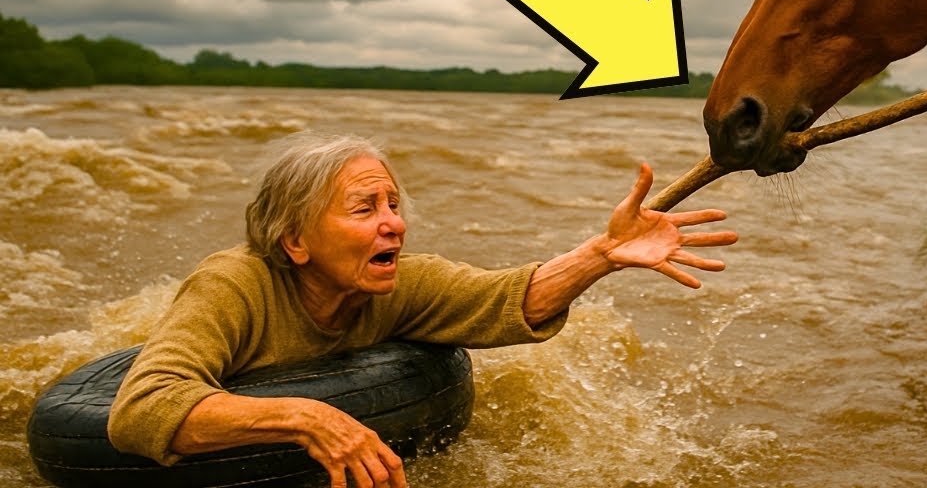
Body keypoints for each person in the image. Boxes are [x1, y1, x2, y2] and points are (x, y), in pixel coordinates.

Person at [107, 132, 736, 488]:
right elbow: (139, 408)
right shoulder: (232, 287)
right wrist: (310, 418)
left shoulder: (396, 285)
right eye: (365, 209)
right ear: (294, 240)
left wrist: (603, 254)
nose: (394, 225)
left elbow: (504, 297)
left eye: (393, 203)